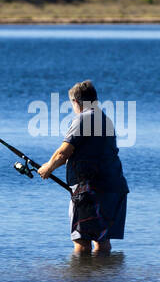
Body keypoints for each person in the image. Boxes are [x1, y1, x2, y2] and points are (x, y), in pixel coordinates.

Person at [37, 80, 129, 254]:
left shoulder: (83, 118)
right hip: (114, 187)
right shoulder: (105, 119)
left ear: (76, 102)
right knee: (102, 242)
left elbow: (63, 153)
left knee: (82, 241)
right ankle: (102, 280)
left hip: (90, 190)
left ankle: (81, 280)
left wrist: (47, 168)